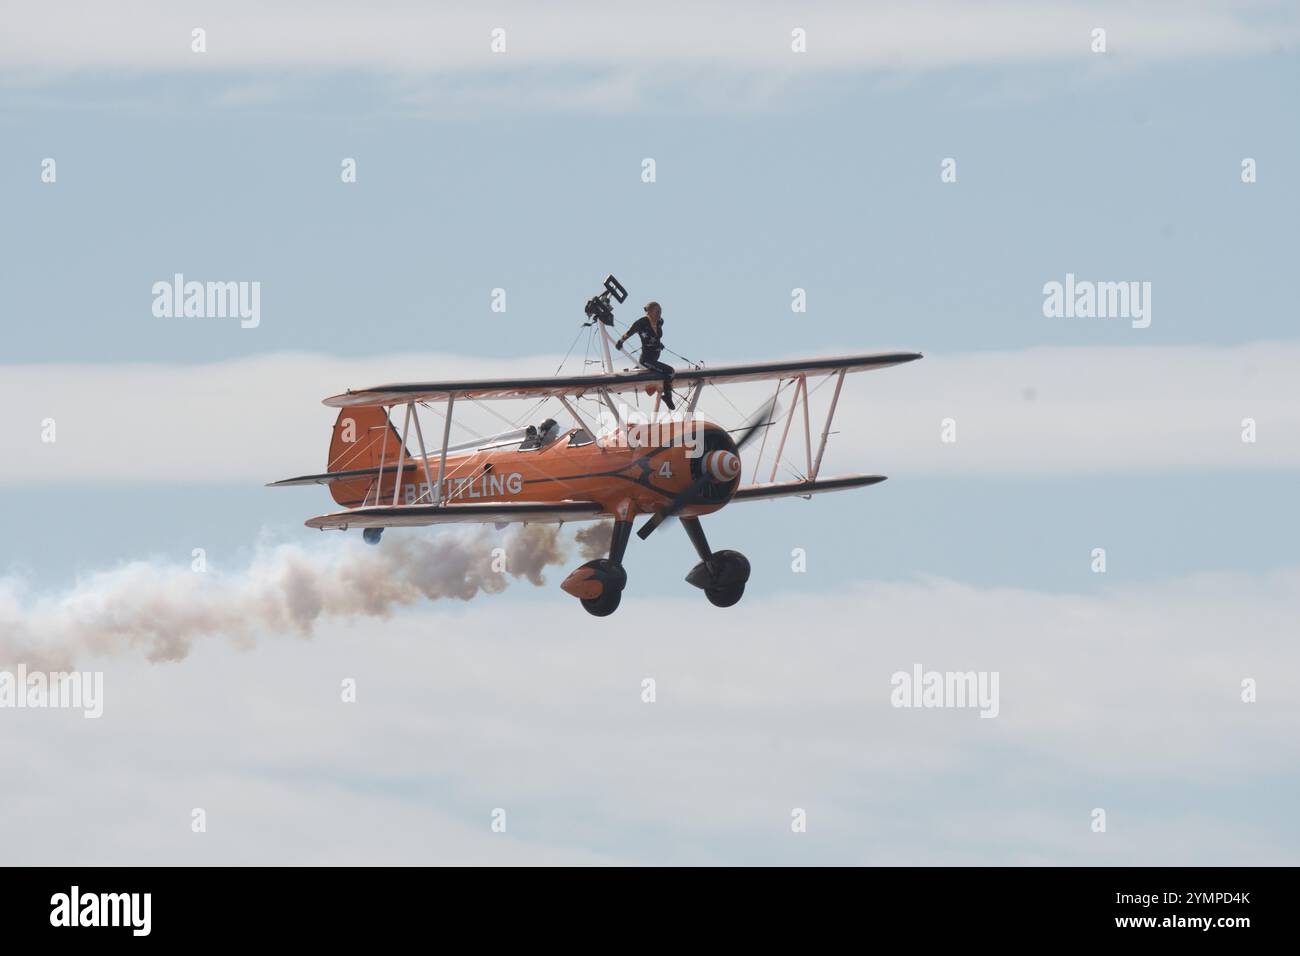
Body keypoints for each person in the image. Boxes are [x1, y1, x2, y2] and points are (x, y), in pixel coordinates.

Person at [615, 300, 676, 410]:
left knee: (638, 372)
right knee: (670, 371)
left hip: (654, 357)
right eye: (657, 312)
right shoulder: (641, 322)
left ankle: (620, 386)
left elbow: (656, 337)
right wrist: (621, 341)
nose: (659, 314)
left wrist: (659, 343)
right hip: (647, 360)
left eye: (660, 312)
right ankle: (668, 397)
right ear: (649, 312)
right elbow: (630, 332)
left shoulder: (660, 322)